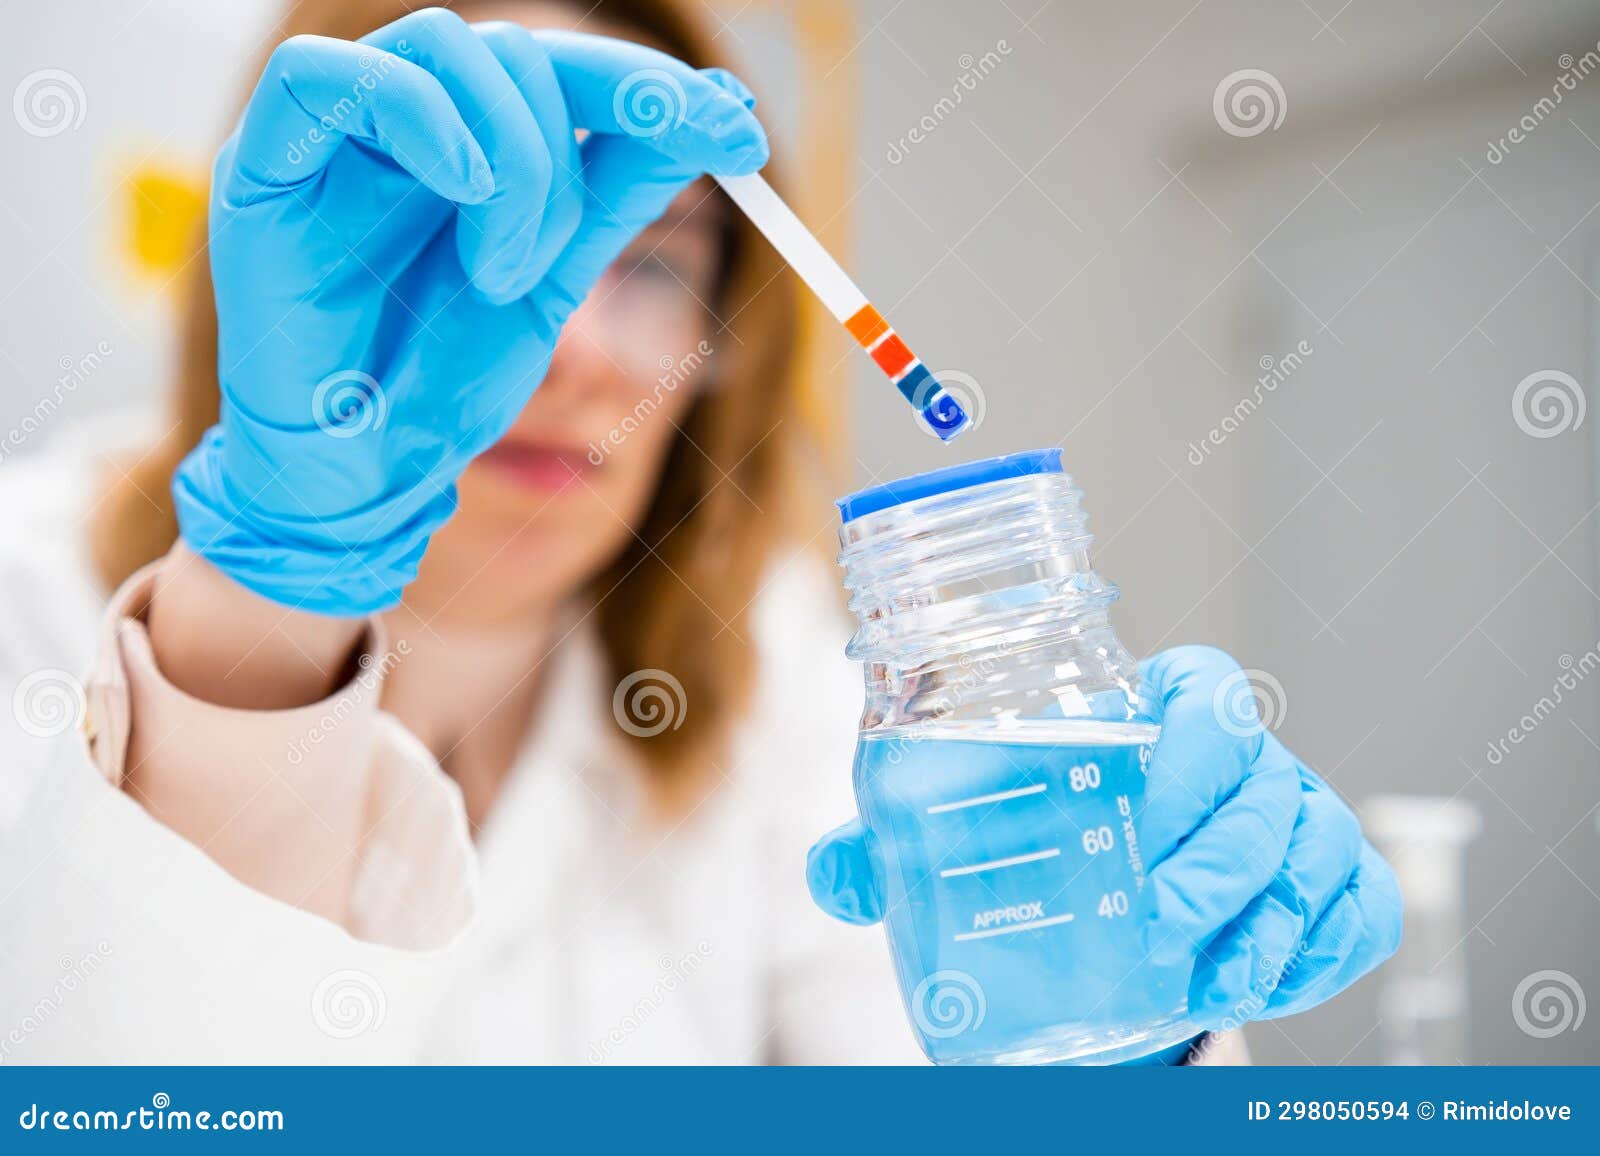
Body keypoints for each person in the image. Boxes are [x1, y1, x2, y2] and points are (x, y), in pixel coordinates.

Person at [0, 0, 1400, 1065]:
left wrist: (1115, 1030)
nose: (573, 350)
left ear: (723, 337)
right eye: (467, 240)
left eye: (654, 259)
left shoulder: (780, 679)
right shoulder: (24, 591)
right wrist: (260, 607)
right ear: (276, 267)